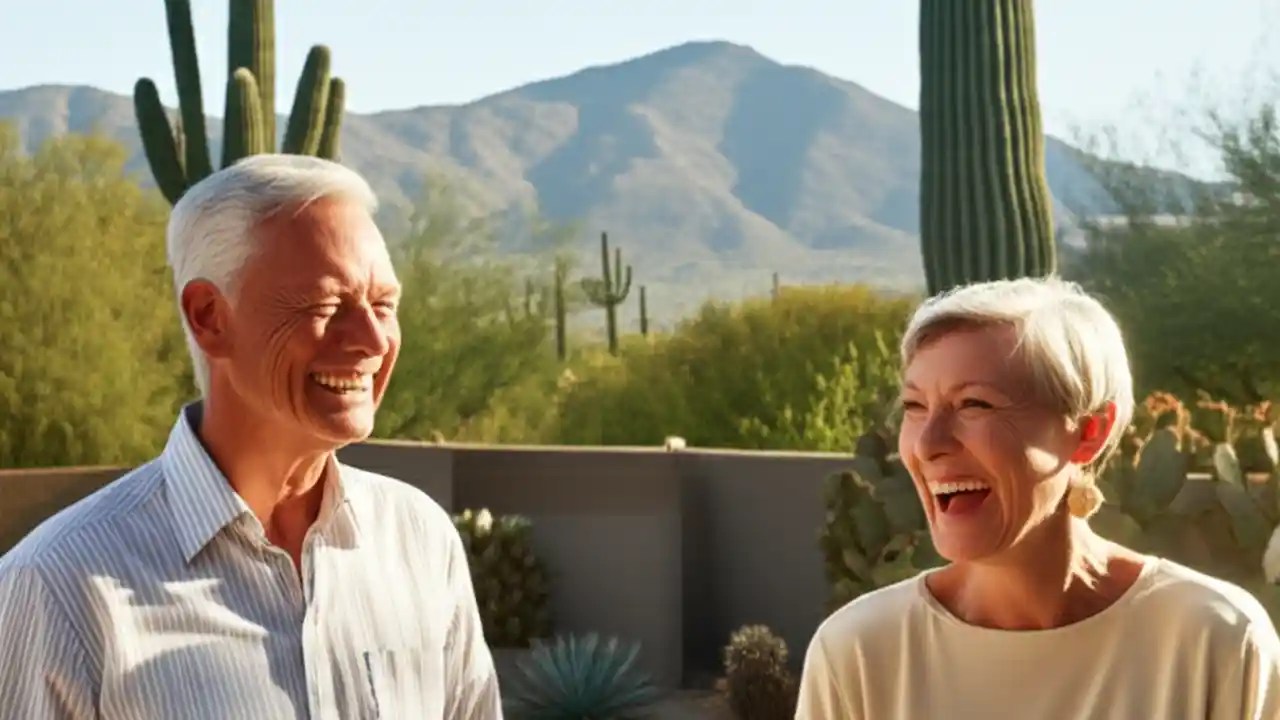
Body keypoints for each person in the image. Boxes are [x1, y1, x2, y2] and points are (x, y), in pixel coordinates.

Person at [0, 155, 502, 719]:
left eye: (384, 305)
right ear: (209, 317)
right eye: (326, 304)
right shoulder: (57, 587)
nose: (373, 339)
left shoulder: (418, 541)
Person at [795, 276, 1280, 719]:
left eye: (974, 404)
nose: (927, 444)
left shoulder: (1215, 639)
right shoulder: (859, 652)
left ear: (1089, 432)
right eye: (915, 406)